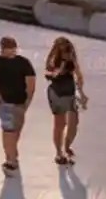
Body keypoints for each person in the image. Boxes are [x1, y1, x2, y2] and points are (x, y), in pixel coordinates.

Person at [0, 36, 36, 176]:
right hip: (7, 103)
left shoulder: (23, 63)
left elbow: (30, 85)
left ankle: (12, 153)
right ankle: (11, 161)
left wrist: (26, 103)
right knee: (9, 131)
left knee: (14, 131)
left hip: (18, 103)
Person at [44, 36, 86, 165]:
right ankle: (59, 152)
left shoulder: (71, 59)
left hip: (70, 94)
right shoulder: (53, 59)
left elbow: (78, 75)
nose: (67, 54)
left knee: (74, 124)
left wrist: (82, 92)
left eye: (68, 51)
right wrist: (57, 71)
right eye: (64, 52)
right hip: (56, 93)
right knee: (60, 124)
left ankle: (66, 146)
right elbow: (48, 73)